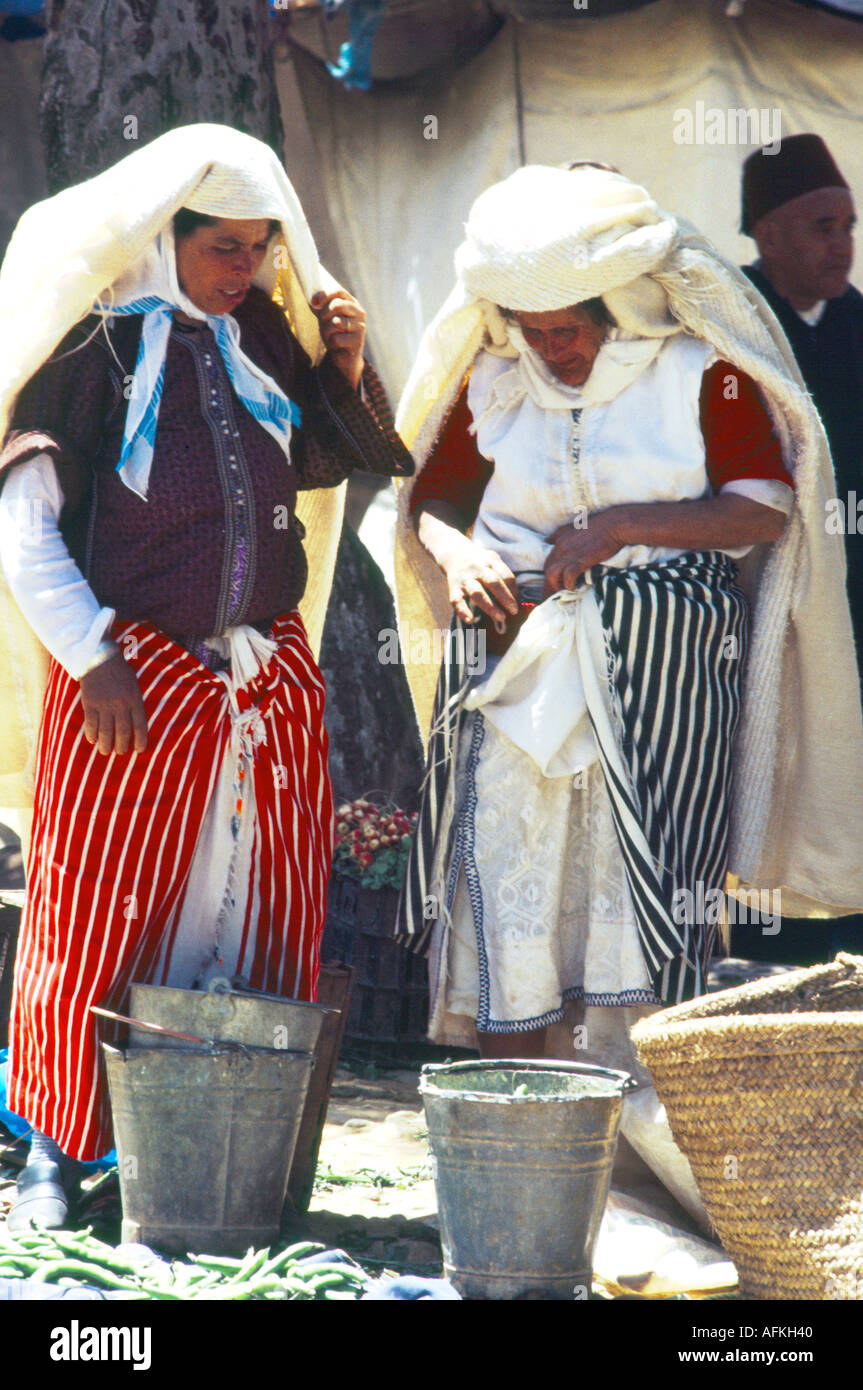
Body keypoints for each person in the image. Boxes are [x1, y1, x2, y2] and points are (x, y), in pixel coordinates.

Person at [0, 123, 413, 1229]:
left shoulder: (262, 336)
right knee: (98, 913)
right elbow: (22, 521)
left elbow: (329, 457)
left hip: (253, 686)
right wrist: (91, 655)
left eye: (259, 248)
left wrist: (344, 367)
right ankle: (58, 1146)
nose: (245, 270)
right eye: (222, 247)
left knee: (245, 909)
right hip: (128, 684)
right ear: (162, 236)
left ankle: (223, 1144)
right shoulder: (95, 353)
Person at [392, 166, 863, 1106]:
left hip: (661, 664)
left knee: (634, 862)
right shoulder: (494, 378)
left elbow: (763, 512)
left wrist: (619, 527)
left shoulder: (700, 371)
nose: (550, 348)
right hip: (510, 661)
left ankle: (633, 1106)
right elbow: (429, 499)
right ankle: (517, 1093)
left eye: (566, 329)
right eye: (533, 329)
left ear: (614, 305)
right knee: (507, 857)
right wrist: (452, 554)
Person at [738, 132, 863, 965]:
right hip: (766, 592)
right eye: (820, 226)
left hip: (858, 600)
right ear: (766, 235)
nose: (840, 244)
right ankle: (759, 962)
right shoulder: (734, 328)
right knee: (770, 763)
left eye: (848, 225)